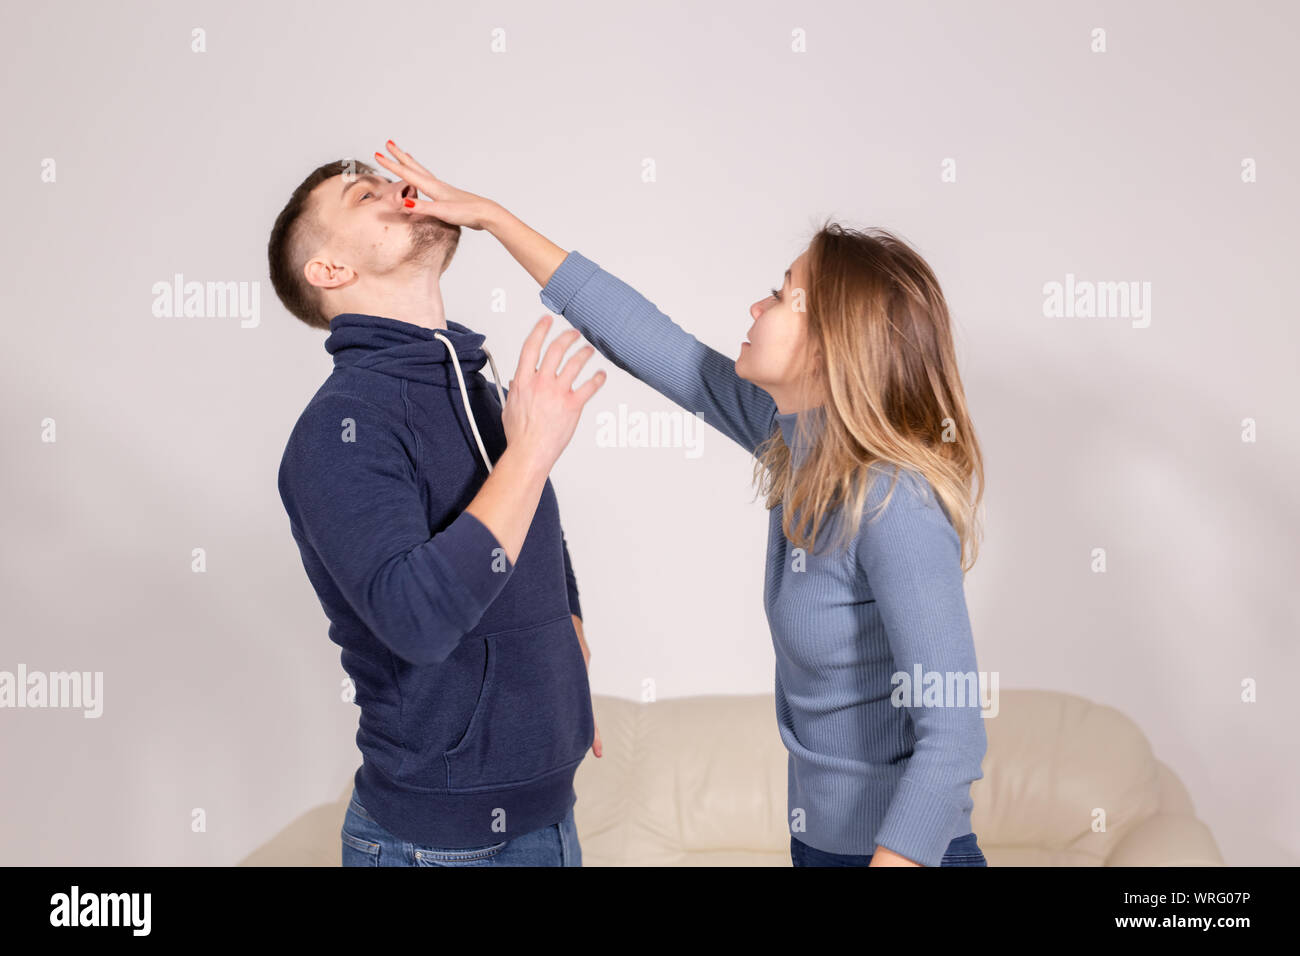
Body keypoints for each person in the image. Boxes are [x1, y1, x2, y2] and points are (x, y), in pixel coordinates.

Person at [372, 140, 990, 868]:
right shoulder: (794, 444)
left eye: (782, 293)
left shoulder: (894, 500)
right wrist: (493, 219)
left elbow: (954, 735)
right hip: (822, 849)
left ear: (833, 344)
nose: (755, 305)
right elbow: (645, 337)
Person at [267, 156, 605, 866]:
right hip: (435, 848)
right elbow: (416, 620)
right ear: (328, 272)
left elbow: (523, 530)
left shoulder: (469, 387)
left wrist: (563, 642)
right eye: (369, 195)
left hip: (551, 820)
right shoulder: (340, 427)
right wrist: (530, 455)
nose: (403, 193)